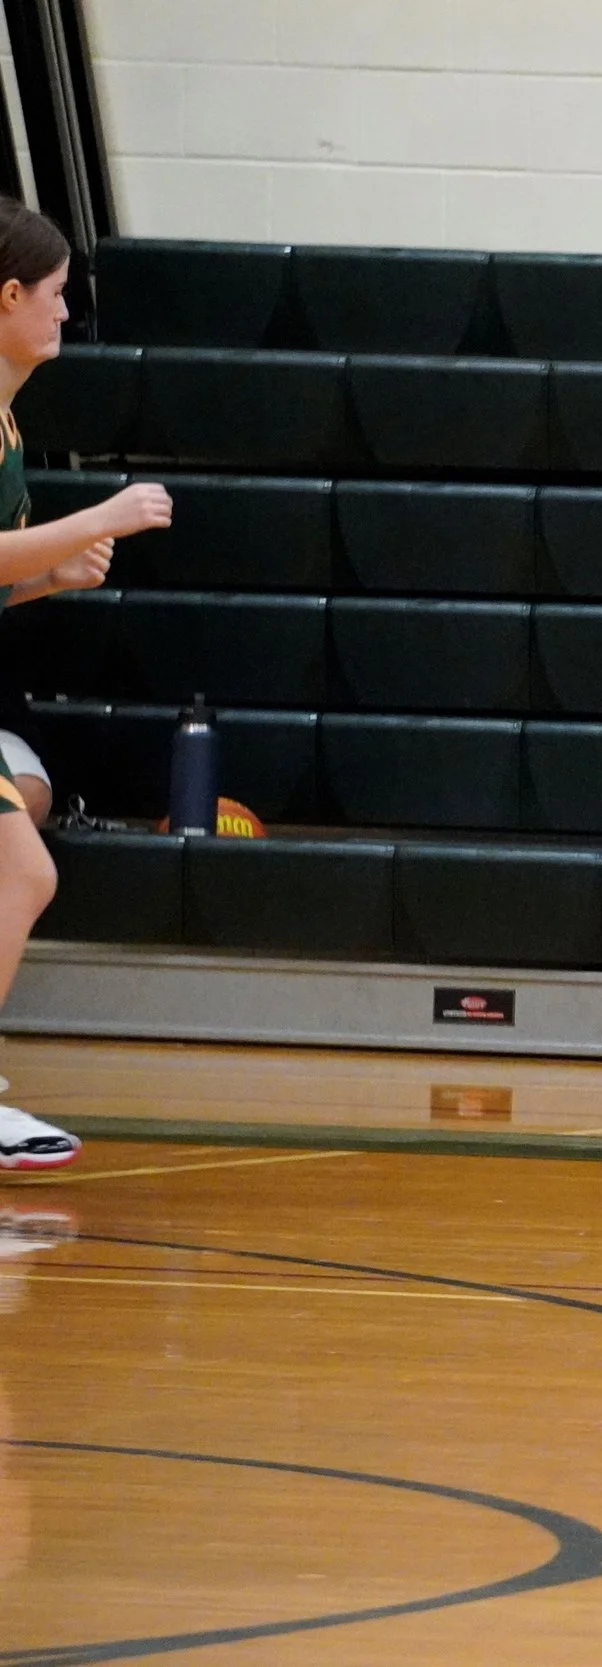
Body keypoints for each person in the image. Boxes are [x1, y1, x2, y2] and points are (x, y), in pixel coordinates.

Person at [0, 199, 171, 1170]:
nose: (68, 312)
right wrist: (93, 520)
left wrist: (44, 580)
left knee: (19, 868)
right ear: (9, 293)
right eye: (57, 294)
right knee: (21, 870)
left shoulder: (8, 424)